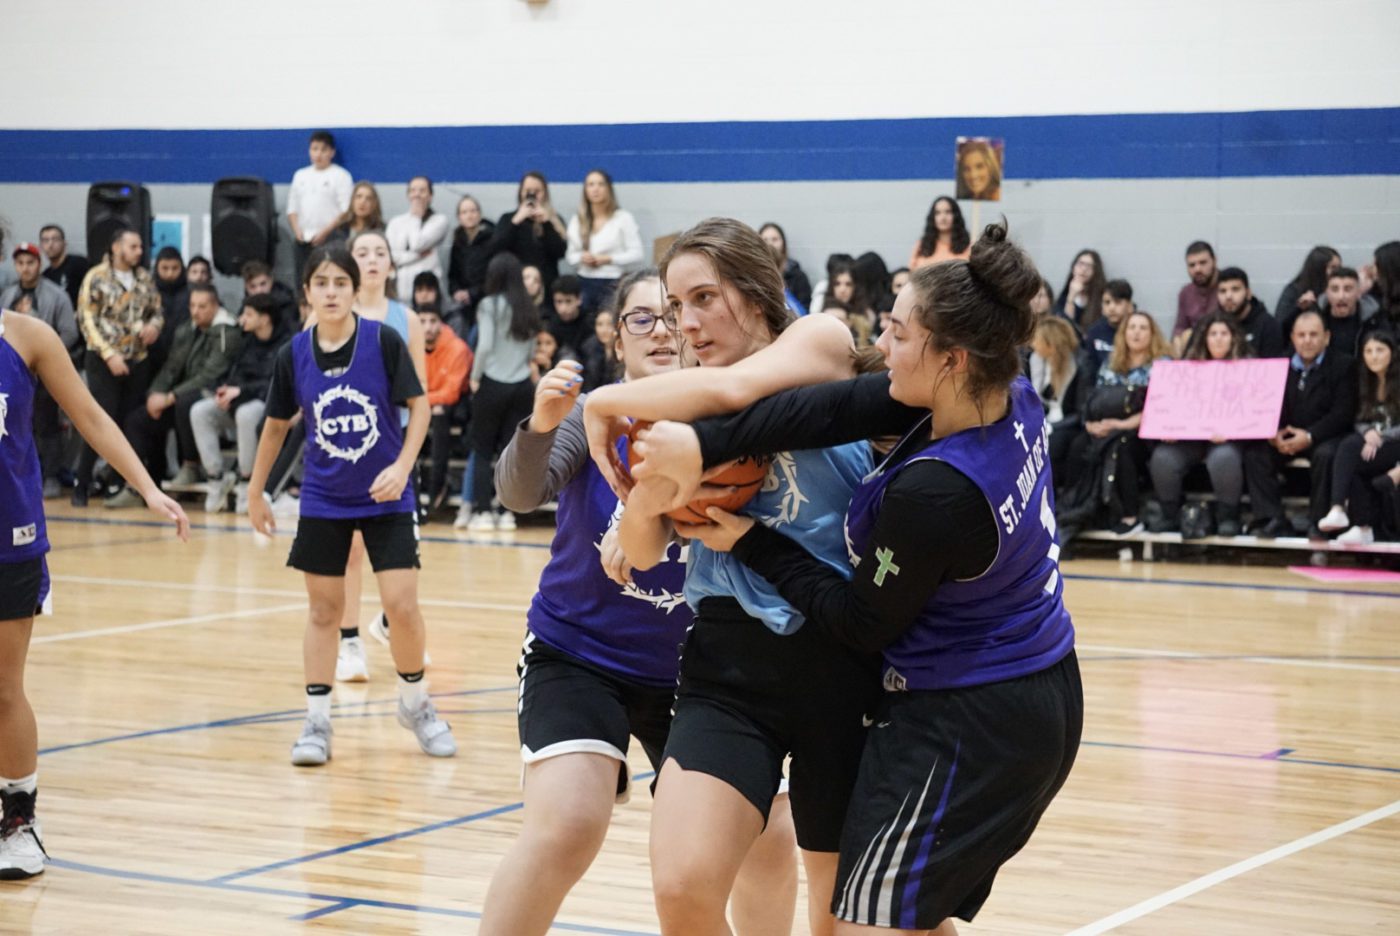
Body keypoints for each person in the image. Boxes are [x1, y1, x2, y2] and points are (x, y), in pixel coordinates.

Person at [626, 221, 1081, 934]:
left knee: (857, 922)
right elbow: (826, 411)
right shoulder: (996, 391)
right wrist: (652, 490)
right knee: (701, 889)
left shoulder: (912, 459)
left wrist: (746, 534)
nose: (882, 348)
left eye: (898, 333)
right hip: (744, 668)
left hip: (902, 682)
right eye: (672, 302)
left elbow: (862, 617)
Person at [582, 218, 880, 936]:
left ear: (754, 291)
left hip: (840, 654)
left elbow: (739, 391)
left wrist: (604, 401)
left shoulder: (821, 340)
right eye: (676, 306)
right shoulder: (680, 397)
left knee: (839, 916)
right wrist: (643, 503)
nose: (686, 322)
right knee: (683, 888)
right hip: (728, 660)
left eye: (703, 298)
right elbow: (646, 550)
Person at [480, 269, 799, 936]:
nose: (660, 330)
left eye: (673, 314)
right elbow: (517, 491)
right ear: (614, 334)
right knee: (568, 824)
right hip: (578, 655)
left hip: (700, 672)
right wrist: (540, 424)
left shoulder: (733, 417)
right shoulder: (597, 412)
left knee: (768, 835)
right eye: (640, 318)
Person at [0, 303, 190, 879]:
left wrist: (148, 488)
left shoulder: (26, 336)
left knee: (3, 689)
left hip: (10, 537)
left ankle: (18, 822)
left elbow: (89, 415)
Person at [247, 243, 454, 767]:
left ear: (355, 286)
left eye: (342, 282)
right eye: (322, 283)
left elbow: (421, 408)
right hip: (323, 499)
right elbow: (275, 427)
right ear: (308, 292)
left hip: (386, 497)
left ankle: (416, 704)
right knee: (323, 610)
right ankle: (317, 721)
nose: (332, 291)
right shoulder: (293, 353)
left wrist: (404, 466)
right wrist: (256, 490)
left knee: (402, 605)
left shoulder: (382, 340)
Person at [333, 230, 427, 682]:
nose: (371, 260)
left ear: (391, 264)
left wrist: (405, 459)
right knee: (349, 551)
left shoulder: (405, 319)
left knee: (405, 559)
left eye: (379, 253)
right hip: (346, 448)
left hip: (394, 450)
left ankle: (389, 623)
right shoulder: (332, 315)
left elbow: (420, 398)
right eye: (362, 253)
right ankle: (349, 643)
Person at [111, 284, 241, 505]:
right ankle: (138, 486)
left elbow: (211, 374)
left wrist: (170, 397)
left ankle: (191, 465)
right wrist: (156, 393)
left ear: (215, 306)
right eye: (192, 305)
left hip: (213, 394)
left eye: (202, 306)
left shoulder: (227, 331)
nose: (196, 311)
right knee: (137, 419)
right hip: (181, 393)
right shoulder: (186, 329)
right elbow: (171, 367)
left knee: (184, 404)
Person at [1243, 310, 1358, 538]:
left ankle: (1319, 523)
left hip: (1324, 435)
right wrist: (1272, 432)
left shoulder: (1345, 365)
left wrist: (1309, 436)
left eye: (1313, 335)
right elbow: (1264, 404)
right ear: (1293, 338)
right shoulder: (1279, 365)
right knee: (1255, 453)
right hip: (1286, 433)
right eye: (1301, 335)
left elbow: (1343, 413)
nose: (1307, 340)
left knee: (1326, 455)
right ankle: (1271, 518)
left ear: (1326, 337)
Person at [73, 228, 164, 506]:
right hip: (104, 360)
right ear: (116, 248)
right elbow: (87, 320)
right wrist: (109, 354)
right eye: (133, 246)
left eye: (140, 246)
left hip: (137, 359)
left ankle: (116, 481)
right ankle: (82, 481)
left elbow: (157, 311)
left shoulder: (144, 279)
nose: (139, 251)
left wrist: (154, 327)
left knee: (128, 422)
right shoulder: (96, 277)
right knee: (100, 419)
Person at [1062, 310, 1171, 537]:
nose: (1137, 333)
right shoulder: (1111, 364)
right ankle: (1078, 509)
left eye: (1143, 328)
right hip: (1107, 425)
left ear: (1152, 334)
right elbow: (1096, 400)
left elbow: (1163, 408)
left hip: (1142, 432)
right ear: (1124, 333)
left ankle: (1129, 515)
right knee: (1079, 445)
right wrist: (1091, 424)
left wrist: (1123, 425)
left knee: (1122, 447)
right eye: (1132, 327)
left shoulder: (1163, 365)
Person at [1147, 311, 1252, 535]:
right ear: (1204, 337)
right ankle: (1170, 514)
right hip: (1189, 439)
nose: (1218, 338)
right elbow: (1172, 406)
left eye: (1224, 333)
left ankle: (1228, 516)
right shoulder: (1185, 369)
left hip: (1226, 439)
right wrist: (1168, 427)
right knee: (1163, 458)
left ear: (1234, 337)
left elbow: (1253, 412)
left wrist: (1233, 430)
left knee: (1224, 458)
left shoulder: (1249, 370)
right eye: (1213, 333)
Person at [192, 293, 288, 514]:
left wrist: (241, 392)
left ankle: (248, 482)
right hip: (240, 401)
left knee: (246, 414)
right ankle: (216, 478)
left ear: (264, 319)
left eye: (248, 314)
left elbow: (275, 384)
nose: (242, 318)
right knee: (200, 411)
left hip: (267, 404)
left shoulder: (286, 342)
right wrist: (225, 391)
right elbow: (234, 374)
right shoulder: (246, 340)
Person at [467, 253, 541, 531]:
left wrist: (475, 378)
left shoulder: (489, 305)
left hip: (492, 382)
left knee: (482, 449)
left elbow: (484, 346)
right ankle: (507, 512)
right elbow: (532, 351)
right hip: (521, 385)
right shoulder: (529, 307)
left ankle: (483, 512)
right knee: (510, 452)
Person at [1, 243, 80, 496]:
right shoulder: (8, 294)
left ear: (39, 264)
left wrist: (42, 355)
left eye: (30, 263)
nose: (25, 268)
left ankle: (52, 475)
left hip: (43, 370)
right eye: (20, 263)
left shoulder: (56, 295)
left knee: (47, 423)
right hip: (10, 373)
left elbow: (69, 332)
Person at [1316, 331, 1400, 544]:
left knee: (1351, 449)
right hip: (1375, 444)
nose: (1374, 356)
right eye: (1368, 351)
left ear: (1393, 353)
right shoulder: (1363, 381)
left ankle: (1338, 508)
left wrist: (1380, 435)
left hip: (1395, 443)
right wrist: (1368, 432)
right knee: (1354, 456)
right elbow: (1357, 418)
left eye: (1380, 350)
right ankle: (1362, 526)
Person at [1028, 315, 1093, 492]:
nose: (1033, 343)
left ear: (1050, 343)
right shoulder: (1035, 360)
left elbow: (1081, 411)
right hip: (1042, 419)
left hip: (1067, 422)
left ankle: (1053, 493)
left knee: (1053, 444)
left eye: (1037, 339)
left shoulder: (1079, 364)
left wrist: (1053, 426)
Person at [566, 169, 643, 316]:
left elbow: (637, 254)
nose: (595, 189)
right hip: (585, 281)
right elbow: (570, 256)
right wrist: (582, 258)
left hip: (613, 282)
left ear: (609, 188)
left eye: (600, 184)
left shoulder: (622, 218)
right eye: (591, 184)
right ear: (585, 190)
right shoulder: (578, 219)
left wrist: (608, 259)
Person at [417, 305, 470, 513]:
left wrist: (421, 400)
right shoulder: (412, 346)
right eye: (422, 321)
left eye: (432, 321)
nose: (428, 327)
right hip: (427, 402)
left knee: (440, 414)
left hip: (459, 405)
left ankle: (437, 487)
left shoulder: (457, 348)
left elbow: (452, 393)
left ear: (441, 323)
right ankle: (410, 487)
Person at [287, 130, 353, 278]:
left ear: (332, 152)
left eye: (323, 149)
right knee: (303, 280)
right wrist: (298, 232)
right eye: (314, 149)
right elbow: (292, 208)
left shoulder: (341, 175)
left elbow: (346, 211)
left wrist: (324, 232)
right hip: (303, 240)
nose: (318, 154)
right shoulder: (300, 175)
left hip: (332, 238)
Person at [489, 172, 567, 290]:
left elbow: (560, 252)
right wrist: (515, 222)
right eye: (528, 191)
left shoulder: (554, 219)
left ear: (545, 194)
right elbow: (496, 248)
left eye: (537, 191)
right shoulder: (508, 218)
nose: (532, 195)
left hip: (546, 285)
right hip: (515, 284)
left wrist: (546, 224)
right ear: (521, 193)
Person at [386, 176, 449, 301]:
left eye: (422, 190)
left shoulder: (439, 220)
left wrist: (416, 217)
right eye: (413, 190)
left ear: (430, 196)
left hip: (427, 292)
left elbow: (417, 244)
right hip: (400, 290)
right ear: (408, 195)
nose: (417, 195)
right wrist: (417, 256)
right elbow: (391, 257)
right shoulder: (396, 222)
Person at [1215, 267, 1285, 359]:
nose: (1228, 296)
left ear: (1248, 293)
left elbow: (1272, 366)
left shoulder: (1268, 326)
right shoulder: (1210, 324)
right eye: (1223, 291)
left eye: (1235, 289)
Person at [447, 195, 494, 327]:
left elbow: (493, 276)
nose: (469, 215)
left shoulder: (492, 239)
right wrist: (456, 292)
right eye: (464, 212)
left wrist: (472, 293)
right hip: (463, 305)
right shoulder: (458, 242)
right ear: (459, 217)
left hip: (486, 301)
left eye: (473, 211)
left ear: (479, 214)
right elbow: (452, 275)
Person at [1276, 245, 1341, 336]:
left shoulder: (1339, 293)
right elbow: (1279, 327)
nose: (1338, 272)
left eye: (1339, 267)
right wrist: (1298, 308)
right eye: (1333, 267)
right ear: (1319, 268)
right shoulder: (1294, 290)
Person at [759, 222, 813, 308]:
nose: (770, 244)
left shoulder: (798, 276)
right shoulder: (753, 274)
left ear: (783, 243)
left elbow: (804, 310)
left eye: (775, 239)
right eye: (765, 240)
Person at [1083, 278, 1133, 371]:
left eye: (1118, 302)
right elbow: (1088, 367)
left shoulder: (1137, 330)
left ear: (1129, 306)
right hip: (1100, 384)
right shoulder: (1094, 332)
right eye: (1107, 302)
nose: (1111, 308)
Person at [909, 195, 971, 269]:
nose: (943, 217)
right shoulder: (922, 245)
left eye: (948, 212)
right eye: (937, 213)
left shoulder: (969, 246)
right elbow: (911, 272)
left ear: (956, 216)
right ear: (932, 217)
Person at [1173, 241, 1219, 340]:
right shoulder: (1186, 293)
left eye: (1203, 263)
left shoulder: (1227, 287)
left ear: (1214, 261)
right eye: (1192, 265)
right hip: (1196, 348)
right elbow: (1179, 328)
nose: (1197, 269)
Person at [38, 225, 90, 309]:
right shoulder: (45, 276)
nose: (50, 244)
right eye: (45, 240)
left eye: (55, 239)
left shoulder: (78, 263)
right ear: (41, 246)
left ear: (64, 243)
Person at [241, 260, 299, 334]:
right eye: (253, 287)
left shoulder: (285, 303)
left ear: (271, 280)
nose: (259, 290)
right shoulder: (246, 306)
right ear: (246, 288)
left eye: (263, 284)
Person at [1054, 249, 1105, 331]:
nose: (1084, 269)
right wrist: (1071, 296)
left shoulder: (1101, 297)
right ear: (1073, 268)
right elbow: (1066, 326)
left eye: (1089, 266)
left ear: (1096, 271)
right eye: (1081, 264)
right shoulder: (1064, 295)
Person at [542, 274, 588, 360]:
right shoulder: (550, 325)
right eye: (559, 302)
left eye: (568, 301)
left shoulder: (590, 324)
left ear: (579, 299)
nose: (563, 308)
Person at [325, 181, 385, 246]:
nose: (362, 202)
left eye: (368, 198)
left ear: (374, 204)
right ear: (352, 201)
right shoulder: (339, 230)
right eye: (358, 197)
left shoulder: (381, 230)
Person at [580, 308, 618, 392]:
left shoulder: (625, 349)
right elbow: (588, 383)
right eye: (599, 324)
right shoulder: (589, 348)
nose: (604, 330)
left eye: (610, 324)